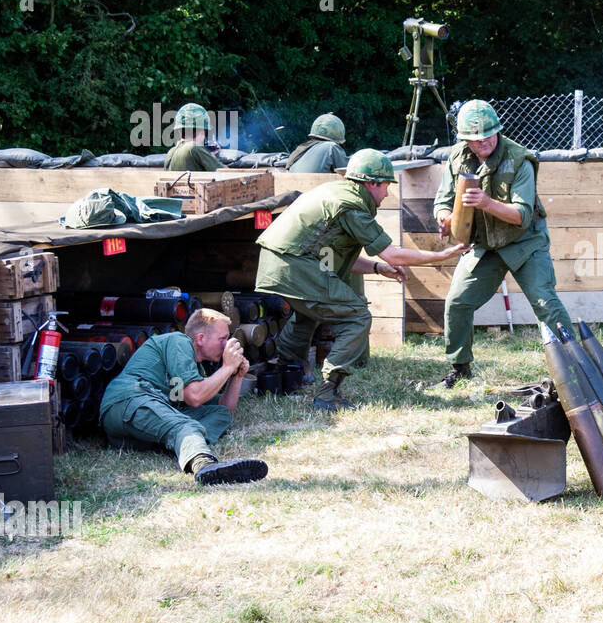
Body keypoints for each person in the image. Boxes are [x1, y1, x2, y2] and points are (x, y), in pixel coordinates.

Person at [256, 148, 468, 410]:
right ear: (371, 183)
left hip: (279, 263)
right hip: (294, 264)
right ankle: (327, 392)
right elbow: (393, 253)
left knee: (308, 315)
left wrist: (378, 269)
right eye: (386, 186)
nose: (388, 193)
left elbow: (329, 255)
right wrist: (442, 255)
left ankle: (285, 378)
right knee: (357, 316)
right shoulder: (352, 205)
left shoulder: (336, 193)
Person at [432, 99, 574, 388]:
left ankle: (574, 367)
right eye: (474, 139)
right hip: (484, 245)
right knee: (457, 302)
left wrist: (485, 202)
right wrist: (444, 218)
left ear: (497, 131)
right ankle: (459, 368)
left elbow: (522, 215)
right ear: (464, 139)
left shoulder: (520, 160)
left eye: (488, 135)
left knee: (545, 302)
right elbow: (442, 201)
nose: (482, 142)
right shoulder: (457, 157)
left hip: (524, 242)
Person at [99, 308, 267, 485]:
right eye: (222, 339)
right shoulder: (179, 342)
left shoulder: (193, 367)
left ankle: (184, 442)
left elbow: (225, 408)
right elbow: (194, 396)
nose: (226, 345)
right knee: (184, 425)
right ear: (201, 338)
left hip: (138, 420)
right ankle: (204, 465)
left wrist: (236, 375)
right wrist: (226, 367)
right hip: (129, 400)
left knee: (221, 414)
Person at [163, 102, 221, 171]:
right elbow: (227, 175)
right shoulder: (194, 148)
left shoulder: (171, 152)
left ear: (179, 131)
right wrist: (213, 157)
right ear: (203, 130)